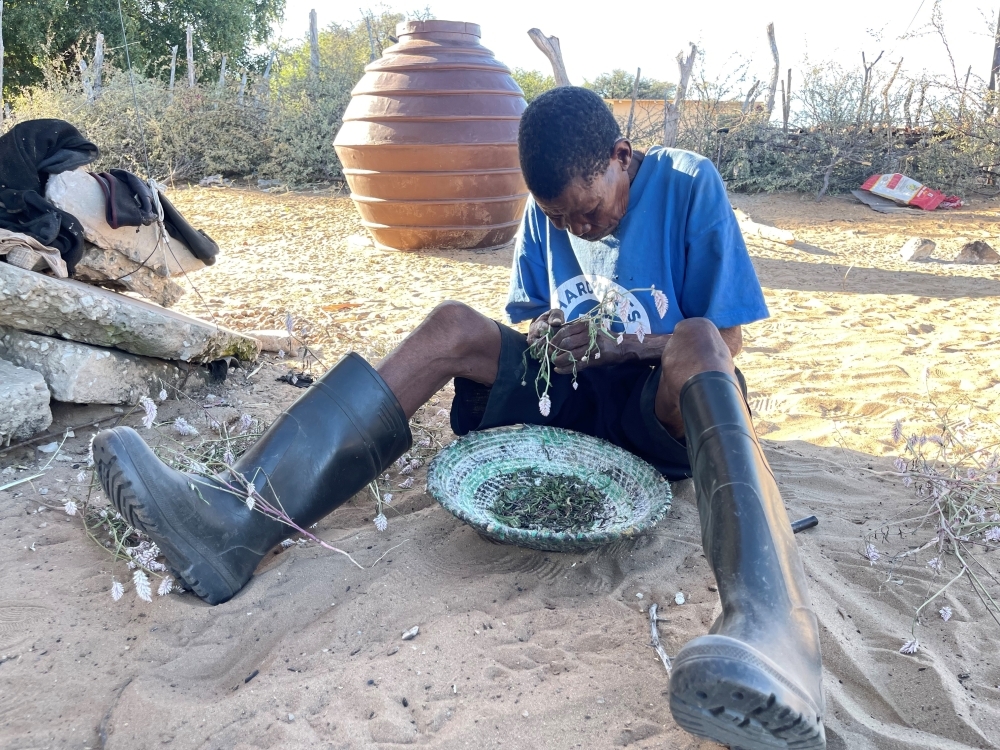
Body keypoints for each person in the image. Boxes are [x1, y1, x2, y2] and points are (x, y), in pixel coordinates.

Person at [93, 87, 825, 749]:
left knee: (697, 338)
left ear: (621, 157)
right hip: (569, 399)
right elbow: (531, 315)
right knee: (451, 324)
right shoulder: (547, 212)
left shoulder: (690, 185)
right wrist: (548, 333)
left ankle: (769, 632)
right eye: (558, 216)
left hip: (657, 412)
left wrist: (625, 345)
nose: (576, 225)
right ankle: (236, 519)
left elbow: (727, 340)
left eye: (589, 209)